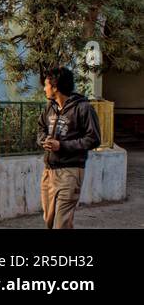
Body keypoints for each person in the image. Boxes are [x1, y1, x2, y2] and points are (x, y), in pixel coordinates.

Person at [39, 66, 101, 229]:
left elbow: (93, 139)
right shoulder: (49, 107)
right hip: (49, 171)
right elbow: (41, 128)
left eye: (46, 84)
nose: (44, 88)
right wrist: (44, 140)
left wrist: (62, 146)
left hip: (71, 171)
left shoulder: (83, 107)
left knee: (61, 224)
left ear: (55, 87)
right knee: (49, 221)